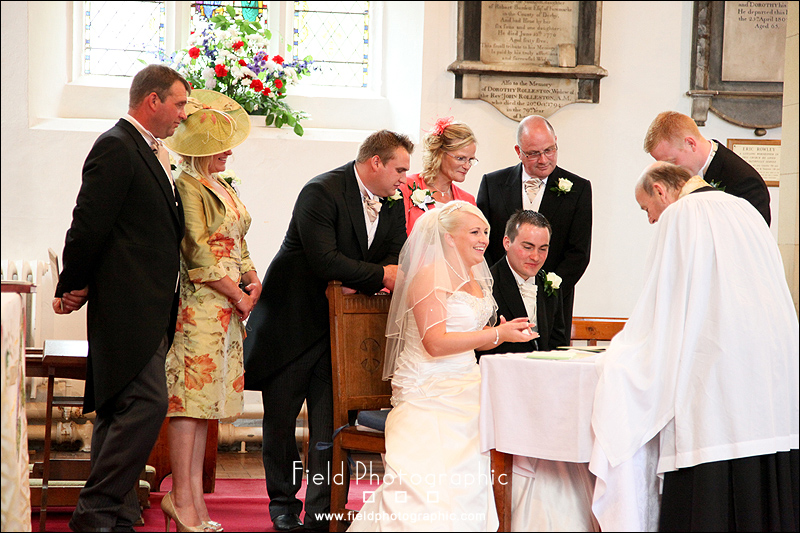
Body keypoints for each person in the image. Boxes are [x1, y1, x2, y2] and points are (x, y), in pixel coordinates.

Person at [589, 161, 799, 532]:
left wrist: (625, 354)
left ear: (660, 191)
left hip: (715, 369)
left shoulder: (680, 216)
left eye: (646, 210)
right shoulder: (744, 209)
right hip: (769, 368)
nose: (651, 219)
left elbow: (663, 305)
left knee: (712, 449)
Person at [243, 130, 414, 532]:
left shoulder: (392, 200)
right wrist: (380, 276)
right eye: (400, 169)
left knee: (331, 429)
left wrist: (370, 277)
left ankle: (321, 507)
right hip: (291, 324)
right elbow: (324, 259)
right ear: (376, 162)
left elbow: (396, 250)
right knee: (282, 422)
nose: (404, 179)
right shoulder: (321, 190)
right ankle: (283, 504)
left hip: (342, 335)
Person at [52, 64, 190, 532]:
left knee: (118, 408)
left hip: (147, 304)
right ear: (152, 100)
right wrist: (72, 283)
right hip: (127, 305)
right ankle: (94, 511)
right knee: (149, 404)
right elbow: (89, 223)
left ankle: (119, 514)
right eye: (179, 104)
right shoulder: (116, 146)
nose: (183, 115)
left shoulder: (151, 153)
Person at [349, 201, 535, 532]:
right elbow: (435, 344)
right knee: (452, 455)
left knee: (518, 420)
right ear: (448, 238)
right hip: (429, 388)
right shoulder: (429, 277)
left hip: (466, 378)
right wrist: (496, 333)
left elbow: (472, 339)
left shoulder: (475, 280)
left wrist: (504, 336)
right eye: (474, 232)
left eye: (486, 232)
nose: (483, 239)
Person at [159, 89, 261, 532]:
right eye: (220, 145)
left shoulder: (222, 183)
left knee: (207, 407)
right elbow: (198, 252)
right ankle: (181, 500)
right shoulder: (186, 184)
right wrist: (238, 295)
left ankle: (194, 500)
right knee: (189, 404)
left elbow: (238, 239)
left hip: (228, 309)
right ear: (198, 147)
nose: (229, 152)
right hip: (200, 307)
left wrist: (253, 280)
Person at [477, 115, 592, 335]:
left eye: (549, 150)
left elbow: (578, 253)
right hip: (499, 298)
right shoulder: (493, 185)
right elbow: (483, 243)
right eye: (533, 153)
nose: (543, 159)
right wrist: (497, 286)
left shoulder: (579, 189)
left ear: (556, 142)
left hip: (553, 302)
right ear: (518, 151)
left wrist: (549, 292)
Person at [643, 110, 771, 225]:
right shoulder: (684, 176)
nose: (669, 171)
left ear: (690, 144)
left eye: (672, 161)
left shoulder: (746, 182)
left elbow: (754, 239)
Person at [476, 210, 567, 359]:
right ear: (507, 242)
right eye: (528, 247)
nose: (535, 257)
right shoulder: (485, 284)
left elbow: (557, 343)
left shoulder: (550, 284)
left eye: (543, 249)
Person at [399, 117, 478, 234]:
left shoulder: (467, 200)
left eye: (470, 160)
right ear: (439, 154)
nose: (467, 166)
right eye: (461, 158)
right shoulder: (406, 187)